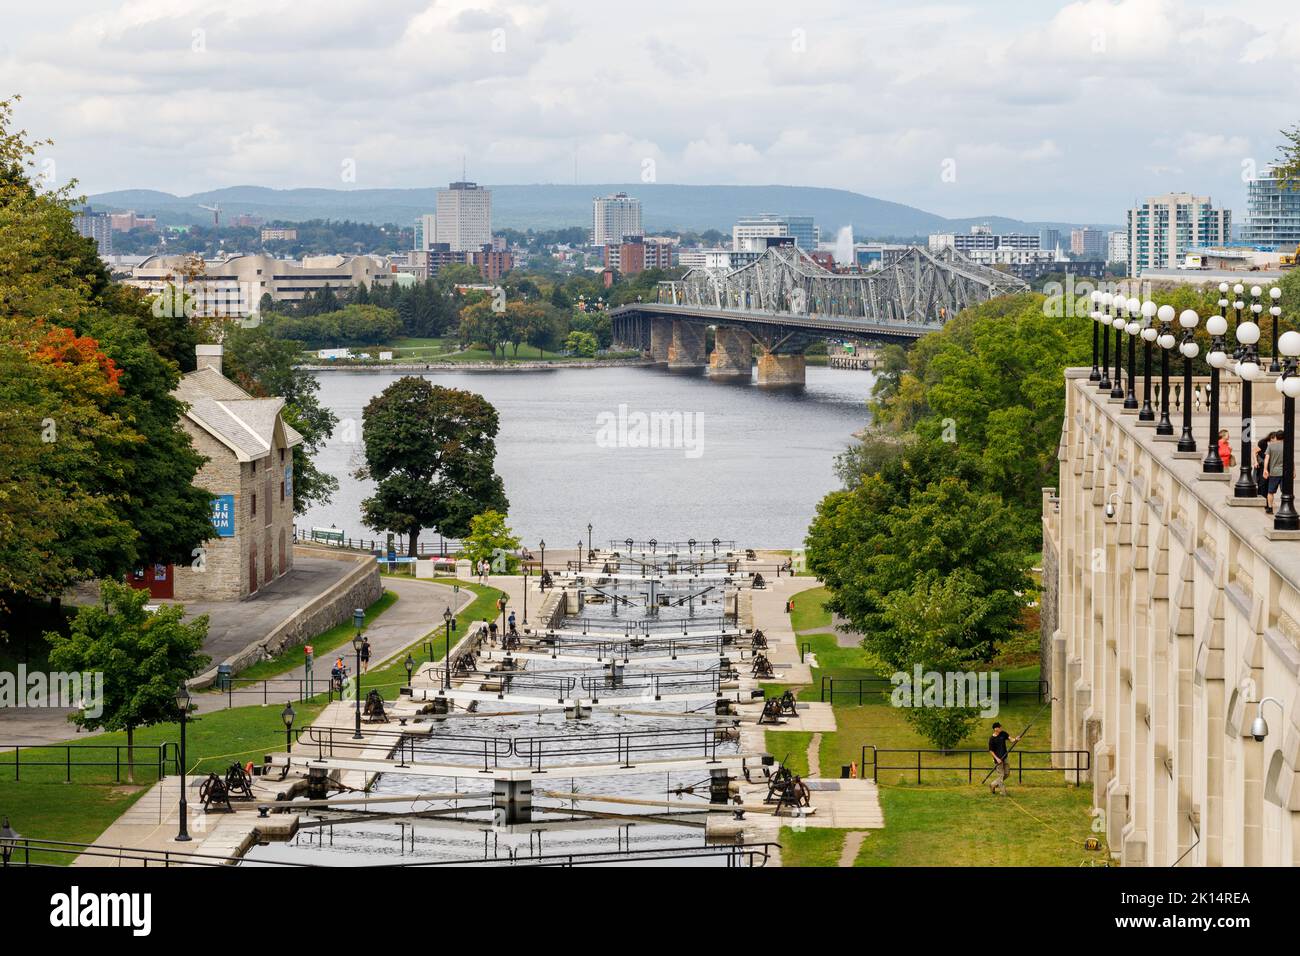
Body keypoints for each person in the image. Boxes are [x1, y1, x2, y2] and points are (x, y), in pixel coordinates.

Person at [988, 721, 1020, 795]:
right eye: (999, 727)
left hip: (1005, 757)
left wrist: (1016, 739)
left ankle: (993, 784)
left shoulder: (1003, 733)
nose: (1000, 728)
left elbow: (1011, 739)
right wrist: (997, 759)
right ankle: (1003, 792)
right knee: (1001, 775)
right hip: (998, 759)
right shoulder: (992, 739)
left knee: (1007, 774)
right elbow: (991, 751)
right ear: (995, 729)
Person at [1265, 429, 1286, 514]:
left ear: (1276, 437)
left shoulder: (1271, 446)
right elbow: (1290, 459)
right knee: (1285, 492)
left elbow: (1267, 458)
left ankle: (1270, 508)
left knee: (1270, 492)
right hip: (1285, 472)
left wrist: (1265, 469)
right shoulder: (1287, 446)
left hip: (1274, 472)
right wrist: (1294, 471)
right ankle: (1284, 507)